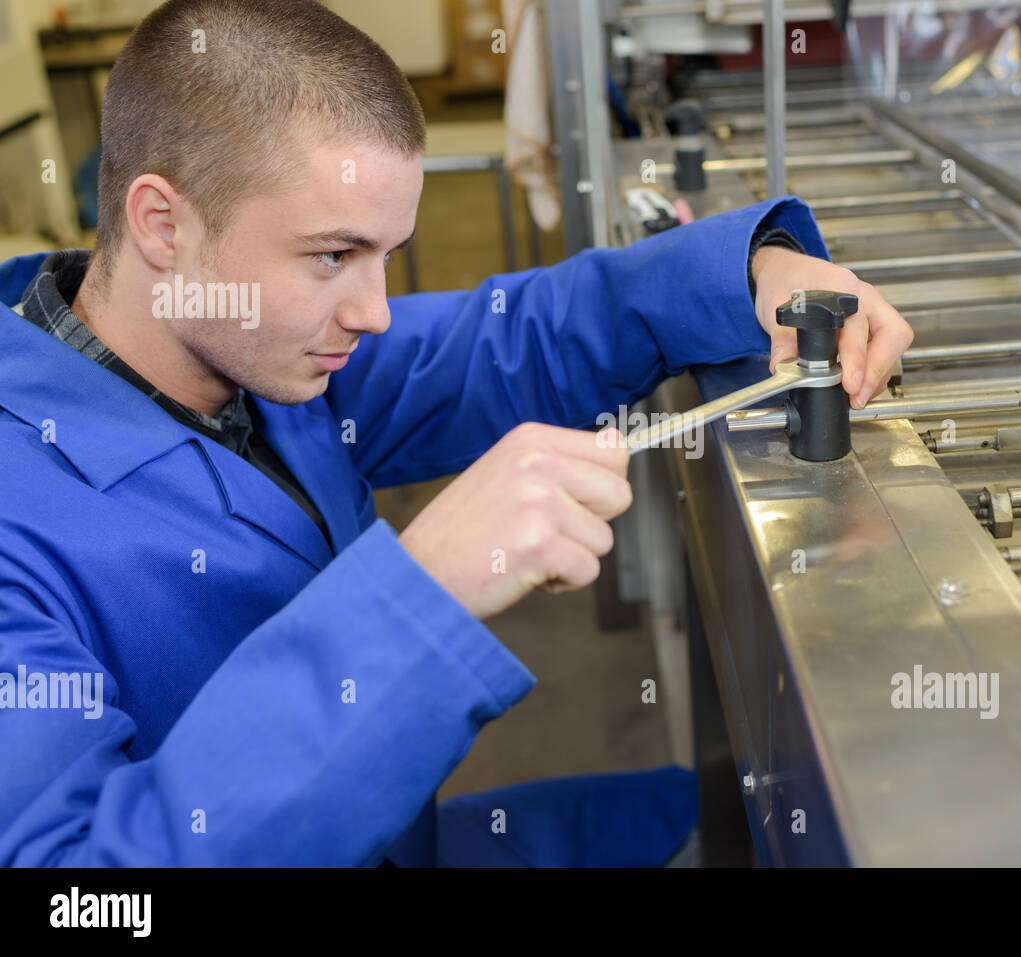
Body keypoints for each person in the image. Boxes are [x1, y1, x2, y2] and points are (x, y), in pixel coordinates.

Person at [0, 0, 913, 866]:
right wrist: (417, 592)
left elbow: (508, 340)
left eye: (386, 256)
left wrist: (756, 269)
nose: (376, 312)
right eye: (332, 255)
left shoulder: (245, 356)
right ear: (163, 223)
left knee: (753, 816)